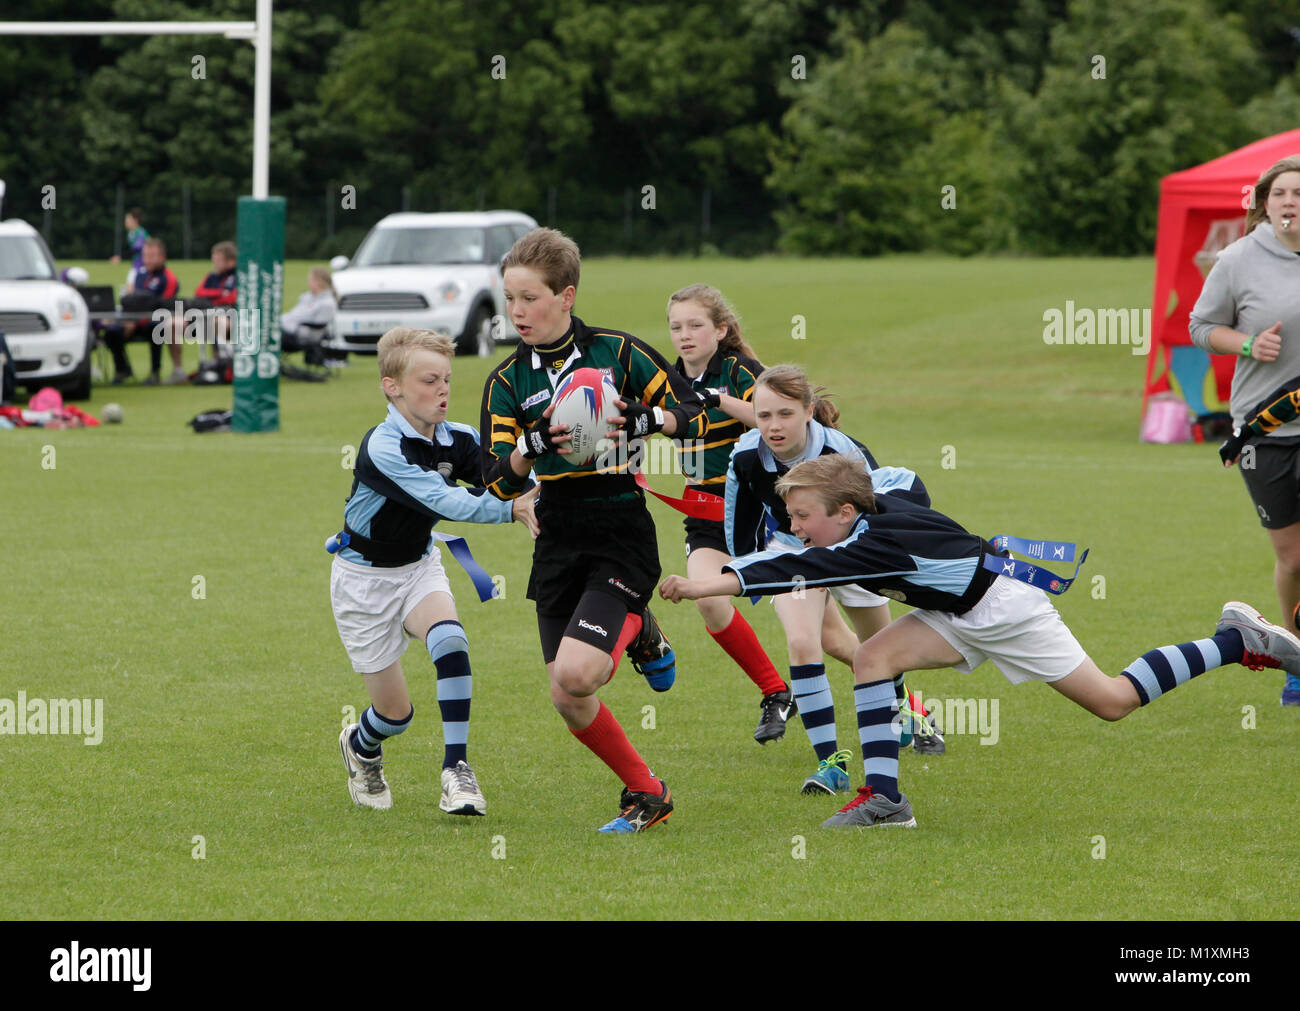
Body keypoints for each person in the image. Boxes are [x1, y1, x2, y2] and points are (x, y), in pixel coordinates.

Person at [661, 452, 1300, 828]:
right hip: (956, 607)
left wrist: (706, 585)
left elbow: (791, 570)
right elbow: (902, 479)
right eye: (794, 516)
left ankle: (1235, 641)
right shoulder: (872, 504)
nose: (797, 528)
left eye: (804, 516)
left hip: (1005, 608)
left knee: (1111, 701)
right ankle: (886, 800)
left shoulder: (870, 542)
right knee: (874, 658)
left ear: (847, 513)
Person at [480, 227, 707, 834]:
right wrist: (530, 445)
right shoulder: (506, 382)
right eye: (509, 298)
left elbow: (696, 412)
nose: (517, 311)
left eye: (530, 298)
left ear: (567, 295)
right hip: (556, 532)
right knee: (566, 693)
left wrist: (649, 418)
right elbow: (497, 481)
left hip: (618, 527)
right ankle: (647, 790)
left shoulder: (620, 352)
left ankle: (637, 629)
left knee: (580, 671)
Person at [331, 327, 539, 814]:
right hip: (362, 583)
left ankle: (457, 771)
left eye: (446, 379)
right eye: (429, 381)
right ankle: (362, 747)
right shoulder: (383, 447)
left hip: (419, 567)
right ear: (392, 386)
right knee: (395, 714)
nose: (442, 390)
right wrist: (510, 511)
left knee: (451, 640)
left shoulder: (459, 437)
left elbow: (501, 474)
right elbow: (444, 499)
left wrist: (541, 464)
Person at [726, 364, 942, 796]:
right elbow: (740, 529)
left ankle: (905, 710)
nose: (773, 426)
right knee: (805, 642)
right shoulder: (746, 457)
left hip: (850, 550)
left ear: (809, 411)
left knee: (881, 648)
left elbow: (882, 511)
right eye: (764, 415)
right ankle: (830, 764)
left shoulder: (844, 452)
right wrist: (749, 575)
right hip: (791, 551)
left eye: (785, 414)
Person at [663, 284, 798, 745]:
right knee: (708, 599)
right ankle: (776, 692)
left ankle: (909, 709)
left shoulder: (739, 370)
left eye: (696, 325)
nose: (685, 335)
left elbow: (773, 416)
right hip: (707, 511)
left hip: (766, 510)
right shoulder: (666, 377)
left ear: (720, 329)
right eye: (676, 327)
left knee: (828, 637)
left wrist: (716, 399)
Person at [1190, 154, 1300, 706]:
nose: (1290, 202)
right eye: (1281, 193)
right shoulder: (1237, 260)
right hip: (1265, 430)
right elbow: (1201, 326)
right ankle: (1296, 655)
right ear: (1264, 202)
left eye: (1299, 193)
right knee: (1295, 557)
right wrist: (1249, 345)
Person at [104, 237, 181, 385]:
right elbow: (131, 301)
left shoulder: (169, 278)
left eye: (152, 256)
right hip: (132, 321)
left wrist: (137, 321)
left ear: (162, 257)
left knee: (155, 327)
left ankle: (155, 371)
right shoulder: (139, 274)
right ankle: (123, 369)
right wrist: (127, 321)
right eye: (145, 256)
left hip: (154, 322)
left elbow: (163, 305)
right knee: (111, 331)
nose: (148, 260)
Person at [281, 266, 338, 368]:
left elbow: (304, 319)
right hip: (294, 330)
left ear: (319, 282)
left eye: (310, 280)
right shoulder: (309, 298)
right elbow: (295, 315)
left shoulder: (326, 303)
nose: (308, 283)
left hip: (301, 336)